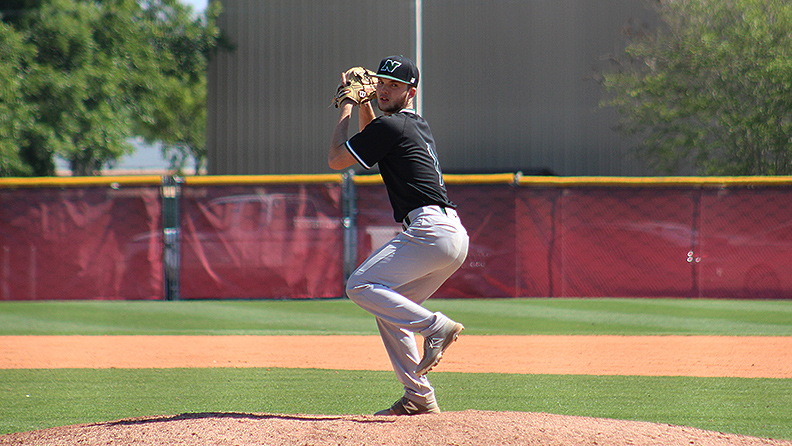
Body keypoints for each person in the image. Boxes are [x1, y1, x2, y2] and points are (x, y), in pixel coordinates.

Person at [328, 55, 469, 416]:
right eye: (382, 83)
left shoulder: (391, 127)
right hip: (451, 235)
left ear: (411, 91)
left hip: (429, 231)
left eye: (395, 85)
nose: (385, 89)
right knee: (389, 309)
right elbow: (375, 138)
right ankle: (418, 396)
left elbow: (336, 159)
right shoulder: (411, 125)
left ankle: (435, 326)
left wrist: (347, 104)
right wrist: (364, 106)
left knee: (359, 286)